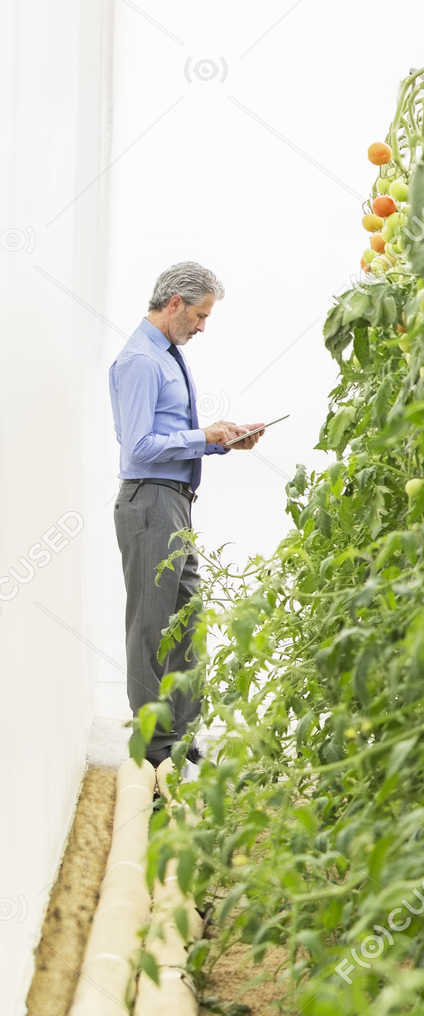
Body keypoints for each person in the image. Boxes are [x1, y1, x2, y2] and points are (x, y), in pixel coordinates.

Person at [109, 262, 263, 768]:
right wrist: (204, 436)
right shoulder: (139, 361)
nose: (201, 326)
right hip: (150, 502)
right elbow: (139, 446)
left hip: (173, 501)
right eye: (198, 315)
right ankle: (153, 749)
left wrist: (222, 444)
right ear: (174, 302)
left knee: (187, 620)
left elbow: (169, 438)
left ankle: (182, 737)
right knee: (152, 627)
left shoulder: (168, 356)